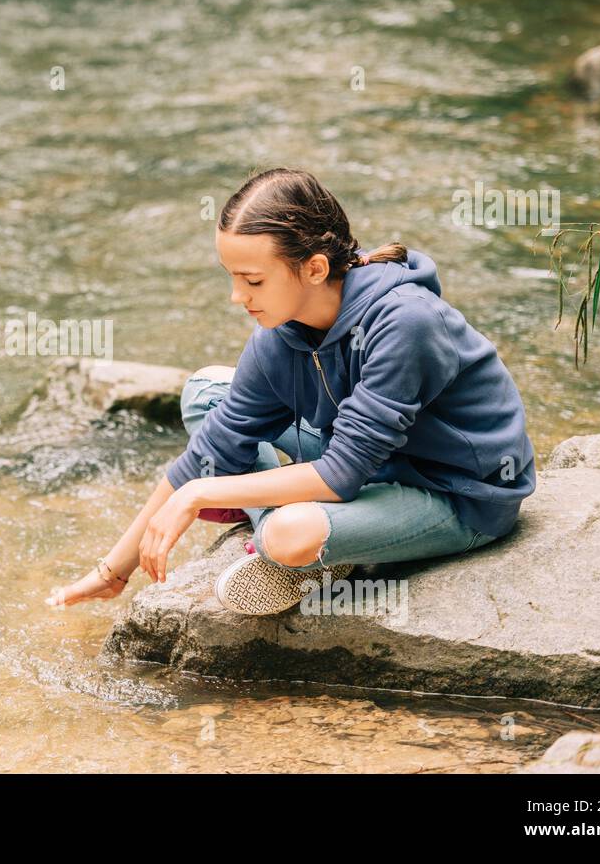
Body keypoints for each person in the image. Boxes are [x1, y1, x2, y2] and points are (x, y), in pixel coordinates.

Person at [47, 167, 536, 614]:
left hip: (455, 494)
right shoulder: (281, 334)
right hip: (374, 465)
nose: (238, 297)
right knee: (204, 392)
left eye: (253, 280)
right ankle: (323, 546)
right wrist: (113, 572)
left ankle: (295, 545)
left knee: (287, 532)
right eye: (232, 277)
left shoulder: (405, 321)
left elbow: (341, 474)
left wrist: (201, 495)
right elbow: (211, 450)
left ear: (315, 268)